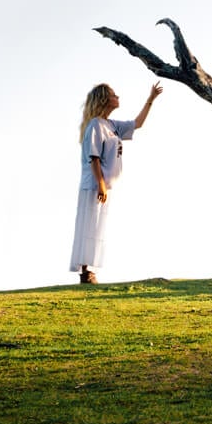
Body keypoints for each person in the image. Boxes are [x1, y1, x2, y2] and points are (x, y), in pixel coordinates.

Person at [70, 80, 162, 284]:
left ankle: (91, 270)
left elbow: (137, 124)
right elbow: (93, 157)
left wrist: (151, 99)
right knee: (89, 226)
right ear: (104, 99)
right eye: (113, 94)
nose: (117, 97)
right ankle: (86, 272)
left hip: (105, 186)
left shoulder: (111, 125)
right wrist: (101, 184)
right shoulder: (95, 125)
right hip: (94, 185)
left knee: (98, 227)